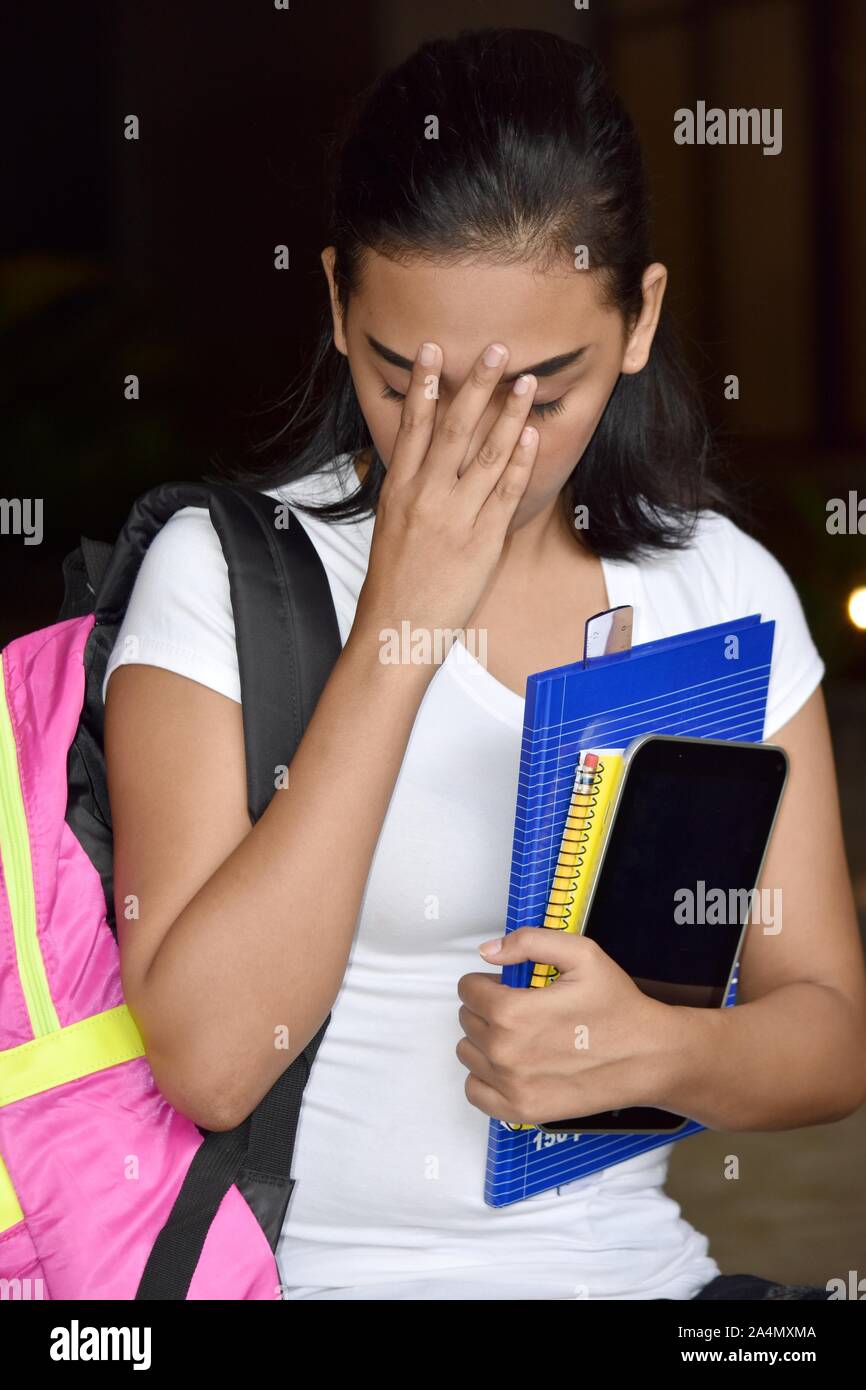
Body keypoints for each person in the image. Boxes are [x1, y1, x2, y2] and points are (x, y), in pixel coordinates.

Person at [102, 29, 866, 1300]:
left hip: (643, 1277)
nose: (474, 445)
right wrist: (399, 623)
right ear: (340, 303)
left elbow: (829, 1033)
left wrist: (659, 1050)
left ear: (639, 321)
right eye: (409, 383)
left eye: (543, 389)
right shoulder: (221, 576)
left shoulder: (715, 587)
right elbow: (211, 1063)